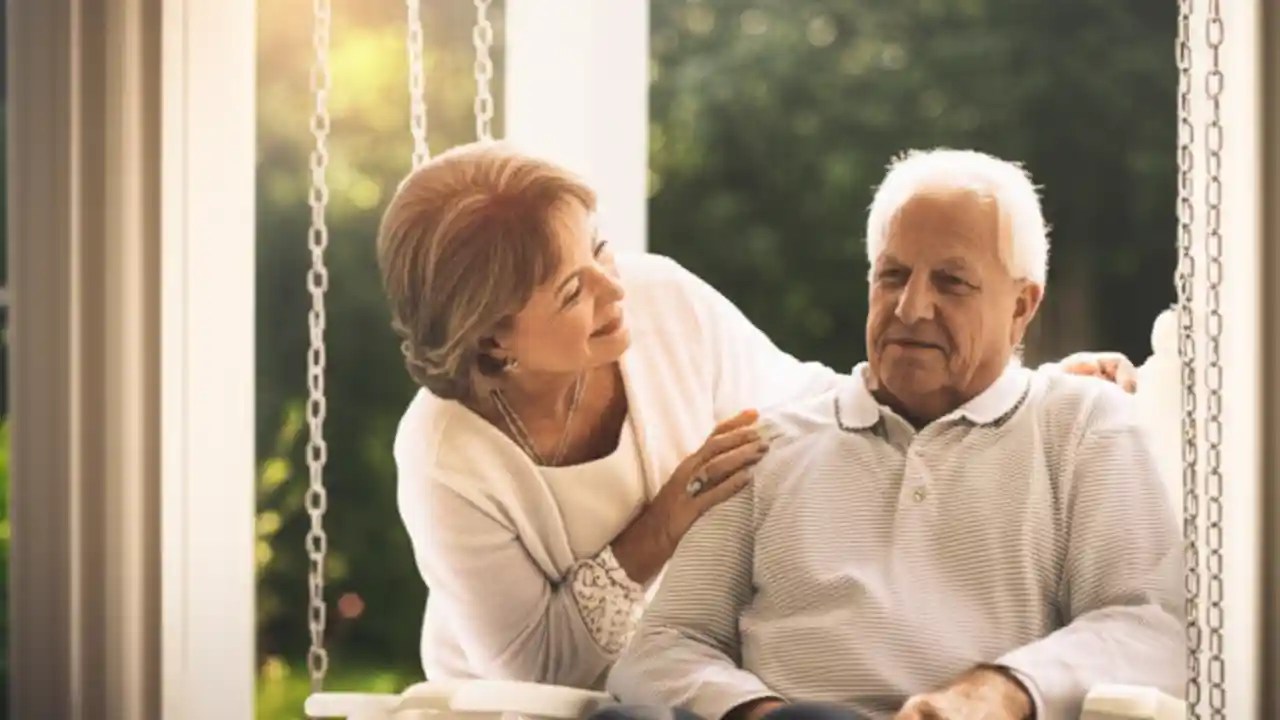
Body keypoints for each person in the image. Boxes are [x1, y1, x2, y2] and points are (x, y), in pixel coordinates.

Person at [376, 141, 1141, 690]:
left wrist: (1022, 390)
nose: (615, 290)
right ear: (492, 338)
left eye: (600, 251)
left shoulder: (661, 300)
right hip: (520, 707)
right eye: (573, 291)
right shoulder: (446, 455)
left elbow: (812, 404)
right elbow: (540, 669)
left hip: (667, 686)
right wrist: (662, 525)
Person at [604, 149, 1183, 719]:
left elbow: (1150, 626)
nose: (910, 307)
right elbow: (660, 648)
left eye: (951, 282)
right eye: (893, 275)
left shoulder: (1083, 426)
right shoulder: (768, 444)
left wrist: (1000, 691)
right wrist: (757, 713)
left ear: (1021, 307)